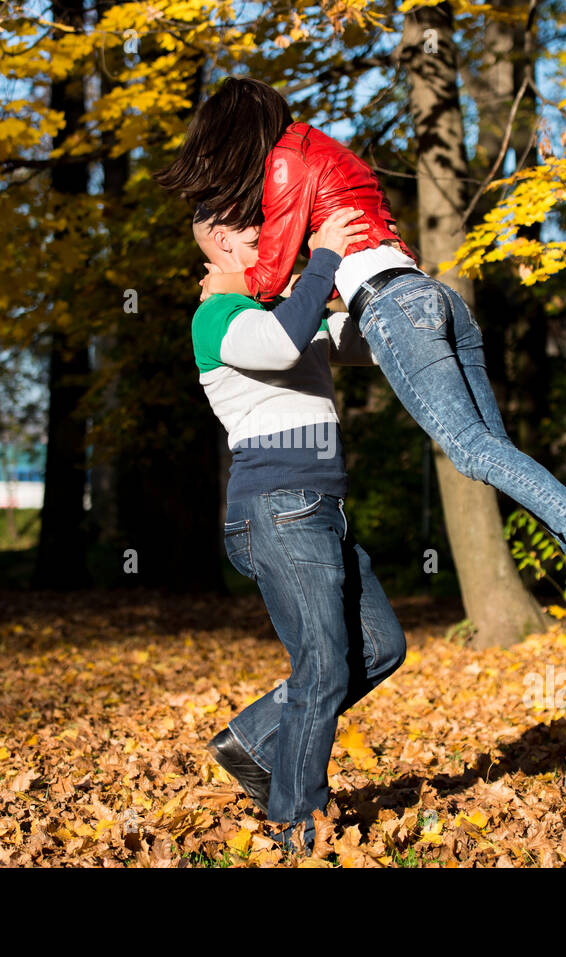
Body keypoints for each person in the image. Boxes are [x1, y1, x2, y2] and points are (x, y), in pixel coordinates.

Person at [156, 77, 566, 649]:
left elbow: (272, 277)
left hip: (393, 305)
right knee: (492, 450)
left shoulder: (287, 162)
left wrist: (219, 283)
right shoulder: (318, 150)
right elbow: (304, 287)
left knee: (469, 449)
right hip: (431, 298)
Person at [191, 205, 406, 855]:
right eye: (258, 231)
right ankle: (297, 827)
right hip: (276, 509)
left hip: (321, 512)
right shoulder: (218, 319)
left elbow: (374, 344)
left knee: (379, 646)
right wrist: (325, 259)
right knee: (320, 665)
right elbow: (282, 342)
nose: (273, 235)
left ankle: (255, 737)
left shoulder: (287, 311)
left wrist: (396, 281)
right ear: (223, 242)